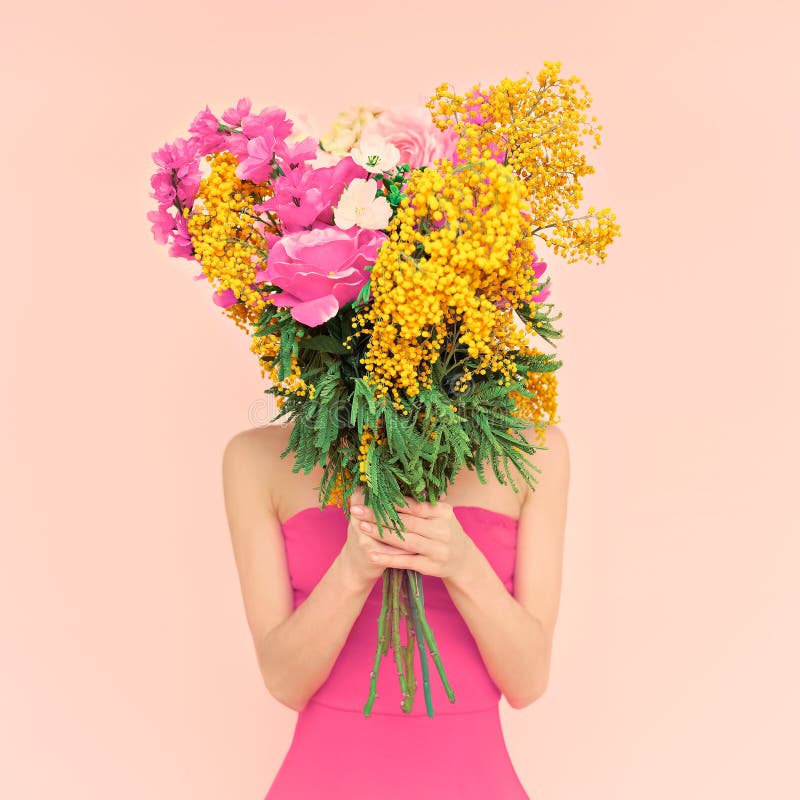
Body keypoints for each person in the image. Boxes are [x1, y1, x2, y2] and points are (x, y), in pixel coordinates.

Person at [222, 419, 570, 799]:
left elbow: (528, 682)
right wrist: (353, 569)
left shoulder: (535, 450)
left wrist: (462, 563)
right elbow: (285, 683)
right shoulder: (256, 457)